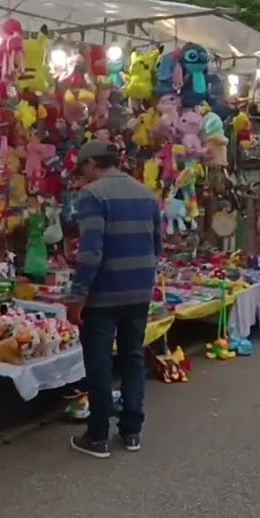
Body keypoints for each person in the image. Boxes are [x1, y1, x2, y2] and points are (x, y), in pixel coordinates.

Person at [65, 141, 162, 458]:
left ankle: (97, 437)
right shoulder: (146, 194)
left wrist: (77, 296)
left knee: (100, 364)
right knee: (133, 359)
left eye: (82, 169)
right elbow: (157, 245)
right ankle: (132, 431)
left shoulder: (93, 195)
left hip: (103, 296)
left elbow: (91, 252)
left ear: (91, 163)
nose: (82, 176)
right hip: (139, 292)